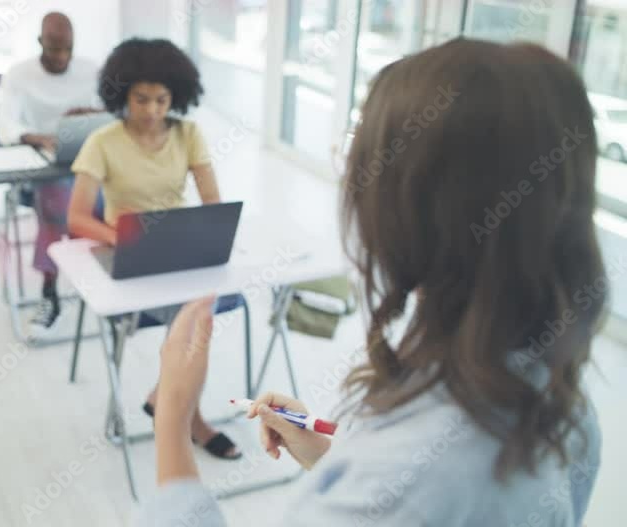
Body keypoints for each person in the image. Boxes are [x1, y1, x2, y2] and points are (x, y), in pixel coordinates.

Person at [139, 38, 603, 525]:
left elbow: (401, 497)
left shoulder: (417, 481)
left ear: (416, 211)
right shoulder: (563, 408)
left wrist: (172, 416)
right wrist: (332, 458)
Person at [67, 38, 240, 460]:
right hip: (129, 255)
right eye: (141, 99)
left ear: (175, 97)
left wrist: (205, 235)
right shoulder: (102, 142)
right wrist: (121, 235)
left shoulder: (188, 134)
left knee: (199, 312)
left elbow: (212, 205)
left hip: (180, 252)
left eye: (162, 100)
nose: (151, 111)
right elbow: (77, 218)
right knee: (197, 317)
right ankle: (190, 420)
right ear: (122, 95)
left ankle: (164, 398)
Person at [0, 11, 100, 340]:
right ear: (40, 42)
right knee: (59, 203)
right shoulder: (18, 75)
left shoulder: (91, 71)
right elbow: (5, 126)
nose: (62, 56)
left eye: (68, 48)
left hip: (87, 163)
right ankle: (50, 293)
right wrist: (38, 138)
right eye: (55, 48)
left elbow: (112, 115)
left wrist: (93, 116)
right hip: (42, 169)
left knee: (118, 199)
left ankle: (103, 282)